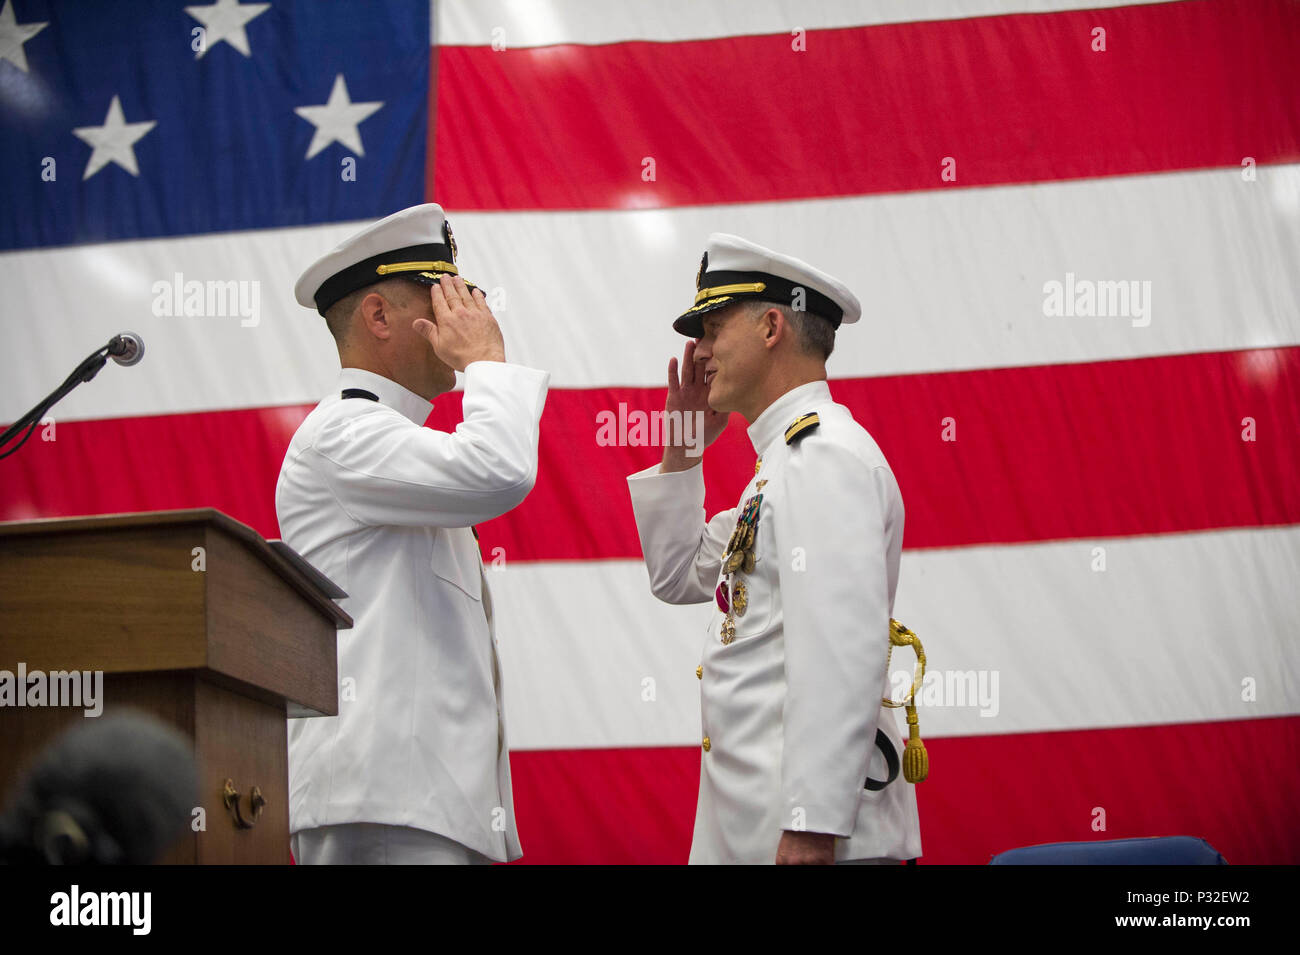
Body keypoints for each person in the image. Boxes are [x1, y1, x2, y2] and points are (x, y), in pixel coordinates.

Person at [626, 234, 922, 864]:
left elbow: (842, 649)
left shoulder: (825, 457)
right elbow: (677, 575)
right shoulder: (783, 467)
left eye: (711, 326)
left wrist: (813, 825)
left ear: (770, 326)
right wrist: (682, 446)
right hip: (765, 834)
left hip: (814, 843)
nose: (700, 351)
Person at [278, 203, 549, 864]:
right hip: (383, 802)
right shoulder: (345, 432)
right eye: (444, 295)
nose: (466, 312)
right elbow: (502, 469)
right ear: (378, 317)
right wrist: (487, 362)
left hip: (414, 801)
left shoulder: (392, 441)